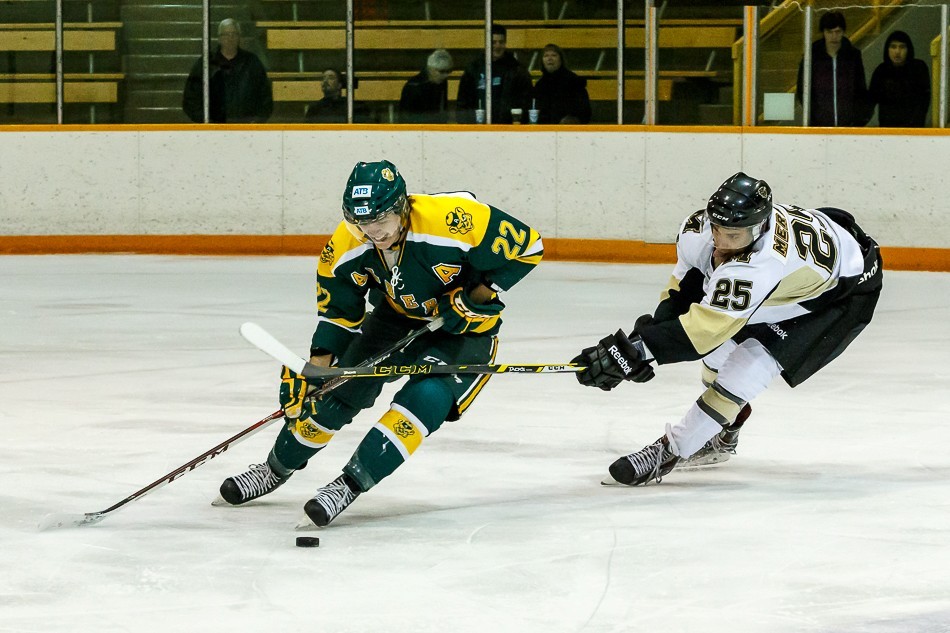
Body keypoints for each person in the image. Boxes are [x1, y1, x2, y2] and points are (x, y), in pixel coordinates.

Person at [217, 160, 544, 526]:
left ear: (402, 206)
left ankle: (349, 484)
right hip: (394, 320)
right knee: (336, 394)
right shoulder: (345, 245)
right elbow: (339, 313)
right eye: (362, 224)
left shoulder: (454, 219)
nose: (374, 233)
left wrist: (474, 296)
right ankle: (274, 469)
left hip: (465, 330)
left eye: (381, 222)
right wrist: (315, 371)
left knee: (425, 400)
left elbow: (528, 246)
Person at [572, 172, 883, 486]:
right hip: (800, 275)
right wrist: (640, 346)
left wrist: (639, 351)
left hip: (837, 296)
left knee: (744, 370)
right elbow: (683, 290)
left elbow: (701, 333)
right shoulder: (698, 229)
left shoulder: (763, 264)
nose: (721, 241)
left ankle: (670, 451)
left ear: (759, 228)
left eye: (733, 235)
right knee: (717, 359)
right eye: (718, 228)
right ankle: (726, 426)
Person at [182, 18, 273, 123]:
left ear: (239, 38)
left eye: (234, 34)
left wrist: (255, 122)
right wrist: (207, 122)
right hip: (214, 130)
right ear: (219, 38)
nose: (230, 38)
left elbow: (265, 98)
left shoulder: (252, 63)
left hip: (246, 129)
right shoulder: (206, 64)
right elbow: (190, 99)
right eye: (226, 34)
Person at [795, 11, 870, 127]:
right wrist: (814, 116)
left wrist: (857, 121)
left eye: (838, 32)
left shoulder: (853, 56)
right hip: (818, 126)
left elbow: (860, 89)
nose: (834, 37)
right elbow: (802, 89)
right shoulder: (812, 56)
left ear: (843, 32)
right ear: (823, 32)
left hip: (849, 126)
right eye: (829, 32)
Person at [456, 24, 533, 124]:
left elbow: (526, 102)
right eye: (493, 42)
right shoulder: (473, 69)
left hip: (508, 130)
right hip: (479, 131)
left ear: (505, 43)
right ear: (486, 43)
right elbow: (463, 103)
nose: (497, 46)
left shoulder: (517, 70)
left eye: (501, 42)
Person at [869, 30, 931, 127]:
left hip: (914, 130)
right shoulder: (881, 71)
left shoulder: (918, 68)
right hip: (888, 131)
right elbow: (870, 101)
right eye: (893, 47)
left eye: (902, 47)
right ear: (887, 49)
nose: (897, 52)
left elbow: (924, 101)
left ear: (908, 49)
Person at [532, 43, 592, 124]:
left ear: (561, 59)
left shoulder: (573, 81)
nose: (550, 58)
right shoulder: (540, 85)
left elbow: (584, 111)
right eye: (546, 56)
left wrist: (572, 119)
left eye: (554, 55)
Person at [399, 49, 454, 124]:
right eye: (442, 72)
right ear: (430, 69)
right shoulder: (413, 86)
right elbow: (405, 118)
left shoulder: (442, 82)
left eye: (448, 71)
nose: (446, 75)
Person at [304, 68, 373, 123]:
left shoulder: (352, 107)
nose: (325, 81)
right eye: (323, 78)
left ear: (339, 85)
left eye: (331, 78)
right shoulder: (314, 108)